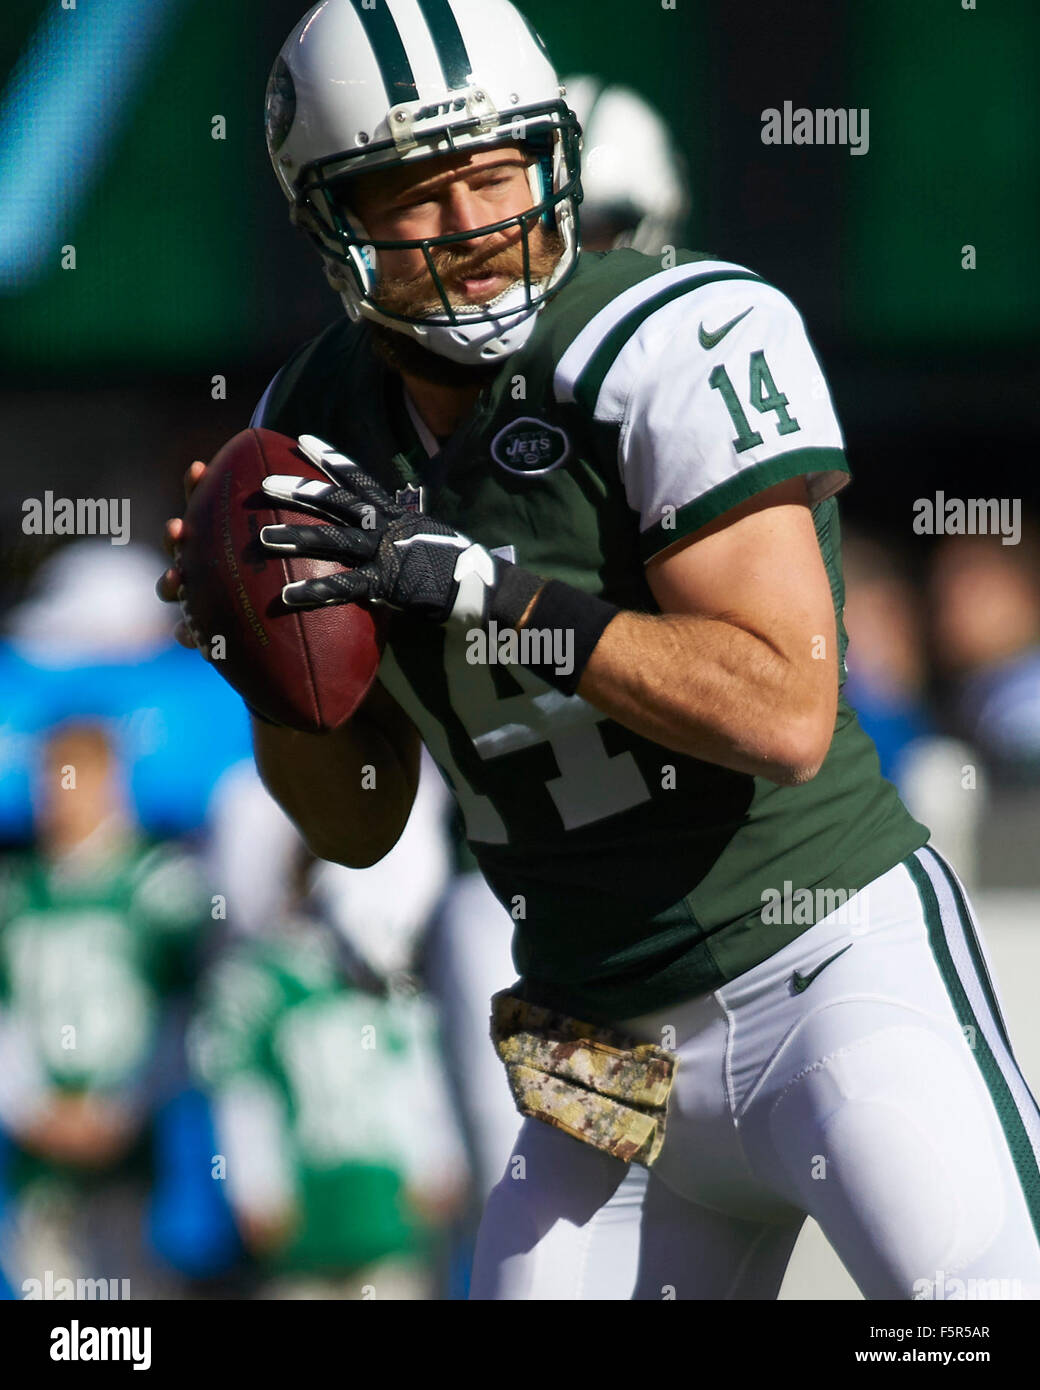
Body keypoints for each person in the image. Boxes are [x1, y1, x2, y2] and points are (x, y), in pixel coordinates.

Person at [159, 0, 1040, 1300]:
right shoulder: (314, 428)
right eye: (419, 193)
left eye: (495, 169)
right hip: (597, 1051)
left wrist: (485, 589)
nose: (472, 224)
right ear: (330, 219)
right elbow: (356, 816)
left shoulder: (678, 337)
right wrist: (266, 666)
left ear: (553, 155)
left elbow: (786, 709)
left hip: (829, 970)